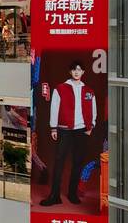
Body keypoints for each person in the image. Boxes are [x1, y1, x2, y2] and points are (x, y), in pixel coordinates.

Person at [39, 61, 97, 207]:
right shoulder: (61, 88)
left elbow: (93, 109)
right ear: (70, 72)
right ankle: (54, 195)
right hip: (64, 130)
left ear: (83, 72)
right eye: (74, 70)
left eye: (79, 70)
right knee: (59, 162)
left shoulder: (89, 91)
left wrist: (91, 125)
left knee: (77, 163)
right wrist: (53, 128)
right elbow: (54, 108)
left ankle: (72, 193)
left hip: (82, 130)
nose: (77, 72)